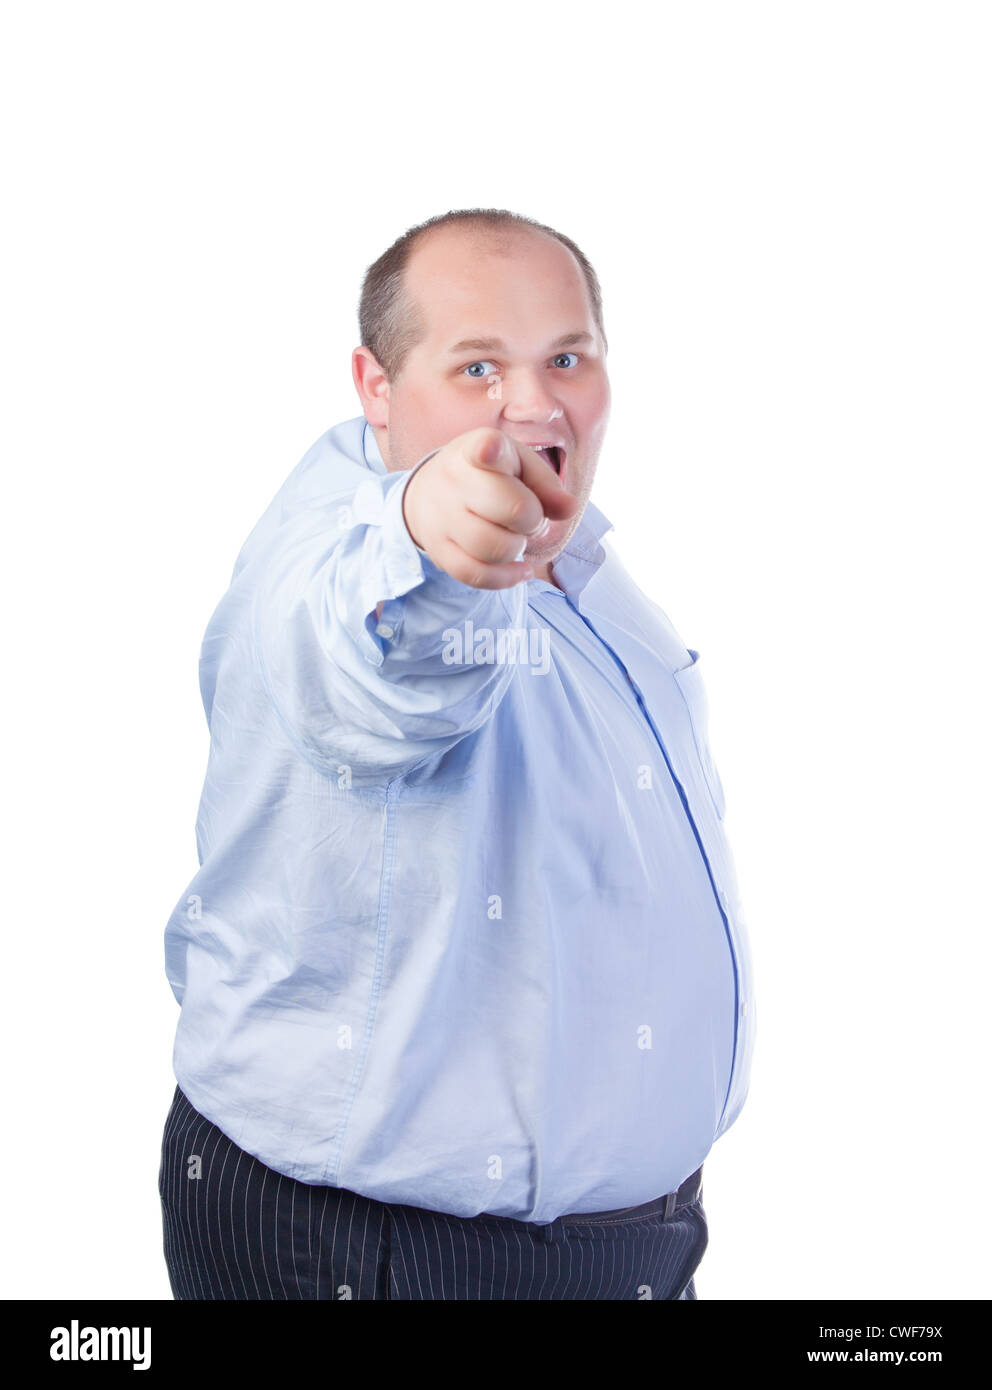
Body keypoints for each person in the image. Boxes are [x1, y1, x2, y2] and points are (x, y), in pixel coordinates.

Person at [158, 207, 756, 1300]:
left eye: (565, 357)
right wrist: (430, 549)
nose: (532, 403)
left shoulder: (570, 547)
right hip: (388, 1254)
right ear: (375, 386)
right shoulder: (353, 558)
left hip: (618, 1247)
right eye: (476, 364)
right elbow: (381, 663)